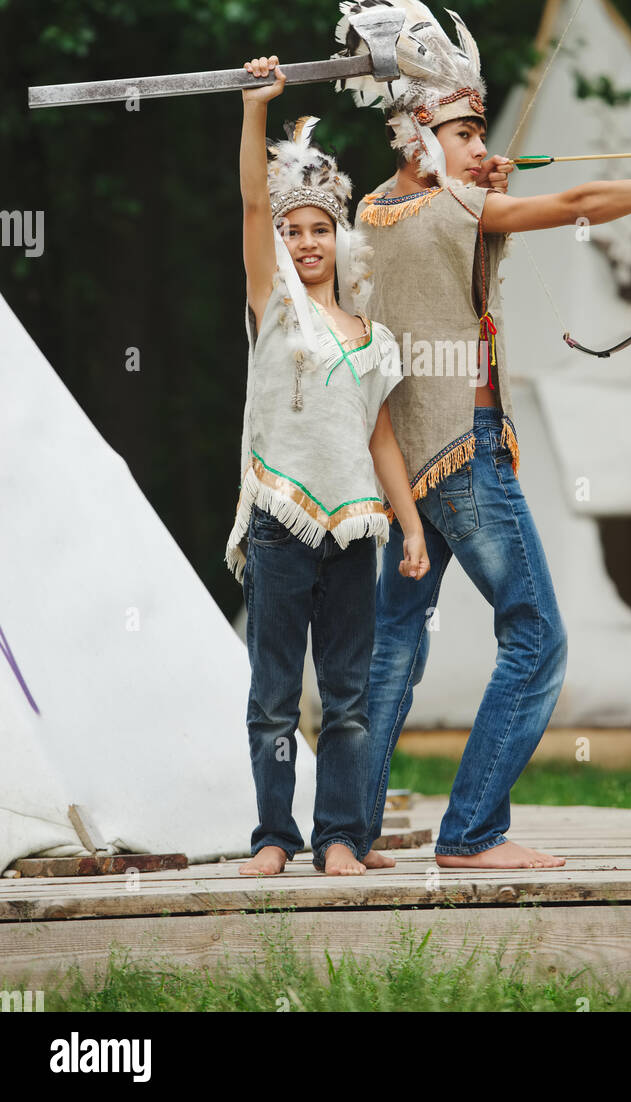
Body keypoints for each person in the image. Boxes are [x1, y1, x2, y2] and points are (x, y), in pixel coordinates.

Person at [332, 0, 631, 870]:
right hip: (467, 456)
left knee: (396, 643)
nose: (479, 149)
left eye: (479, 135)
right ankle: (473, 833)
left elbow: (447, 274)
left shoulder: (373, 212)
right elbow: (581, 203)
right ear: (413, 138)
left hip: (410, 464)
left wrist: (481, 203)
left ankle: (350, 837)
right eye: (462, 135)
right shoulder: (445, 207)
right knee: (537, 637)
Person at [225, 55, 430, 877]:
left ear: (338, 238)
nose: (304, 243)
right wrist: (254, 111)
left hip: (354, 528)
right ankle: (275, 837)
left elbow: (381, 438)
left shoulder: (370, 337)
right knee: (276, 700)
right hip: (280, 523)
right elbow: (249, 197)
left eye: (317, 230)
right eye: (291, 231)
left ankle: (341, 835)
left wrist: (410, 526)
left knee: (346, 701)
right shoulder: (274, 310)